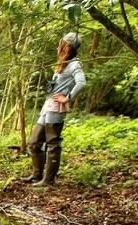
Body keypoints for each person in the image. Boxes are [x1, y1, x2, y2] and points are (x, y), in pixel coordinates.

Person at [25, 33, 86, 187]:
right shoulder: (63, 63)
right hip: (48, 105)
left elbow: (81, 83)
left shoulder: (75, 64)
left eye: (62, 43)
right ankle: (37, 174)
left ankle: (49, 180)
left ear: (68, 46)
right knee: (33, 142)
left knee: (52, 143)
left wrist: (68, 97)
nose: (59, 46)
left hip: (57, 107)